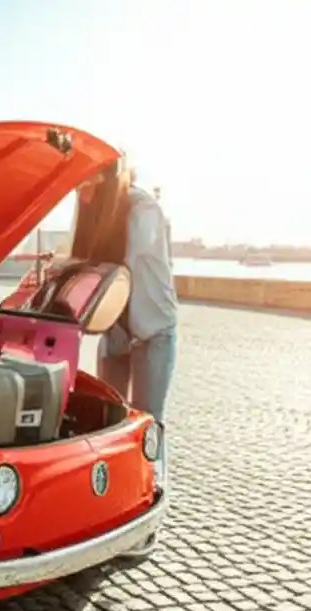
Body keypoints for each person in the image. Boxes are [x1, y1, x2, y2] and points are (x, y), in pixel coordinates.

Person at [69, 155, 178, 427]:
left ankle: (153, 471)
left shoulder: (142, 209)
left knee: (148, 423)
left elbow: (123, 268)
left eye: (87, 185)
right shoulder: (96, 216)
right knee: (107, 418)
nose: (82, 195)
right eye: (78, 188)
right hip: (117, 330)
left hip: (152, 331)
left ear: (108, 181)